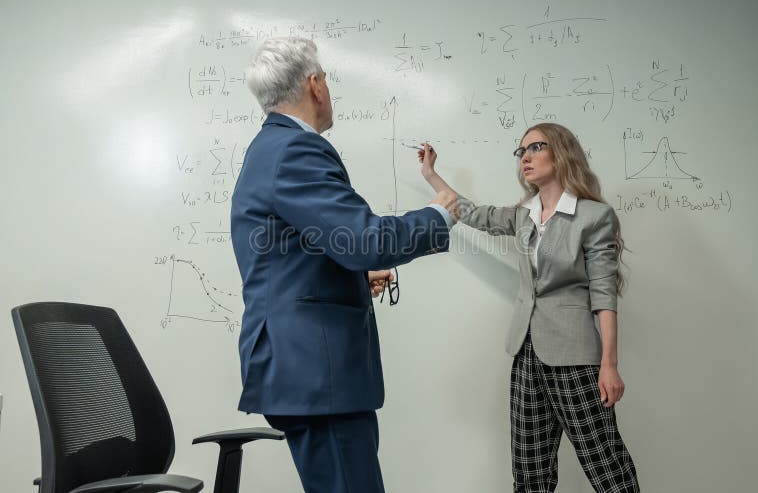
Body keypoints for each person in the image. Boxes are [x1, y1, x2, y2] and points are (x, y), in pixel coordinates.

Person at [230, 36, 459, 493]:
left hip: (308, 369)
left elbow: (292, 252)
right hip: (317, 372)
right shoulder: (295, 150)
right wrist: (438, 215)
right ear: (315, 85)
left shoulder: (270, 148)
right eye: (327, 81)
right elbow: (363, 240)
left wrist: (352, 274)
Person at [418, 122, 639, 492]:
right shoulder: (524, 215)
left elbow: (604, 293)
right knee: (529, 470)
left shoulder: (593, 216)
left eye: (536, 147)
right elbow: (472, 213)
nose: (526, 158)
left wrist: (609, 363)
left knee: (606, 464)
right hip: (526, 352)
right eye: (522, 151)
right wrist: (431, 175)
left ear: (562, 151)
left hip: (575, 356)